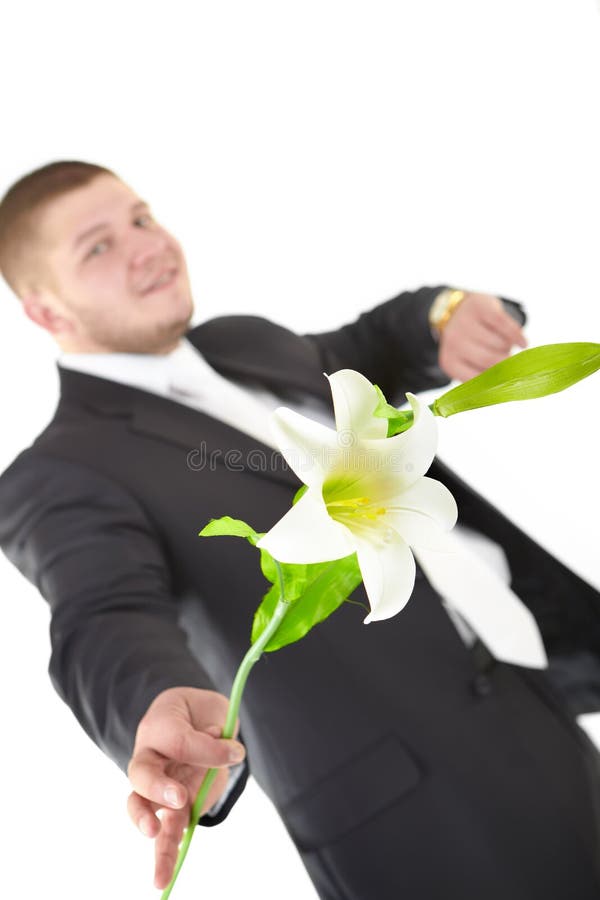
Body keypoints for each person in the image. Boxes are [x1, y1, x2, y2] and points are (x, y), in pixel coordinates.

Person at [0, 160, 599, 899]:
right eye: (97, 247)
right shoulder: (63, 471)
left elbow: (367, 347)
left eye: (142, 217)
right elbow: (103, 614)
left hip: (525, 688)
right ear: (46, 311)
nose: (147, 247)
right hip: (413, 812)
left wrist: (441, 314)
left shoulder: (245, 342)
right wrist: (152, 704)